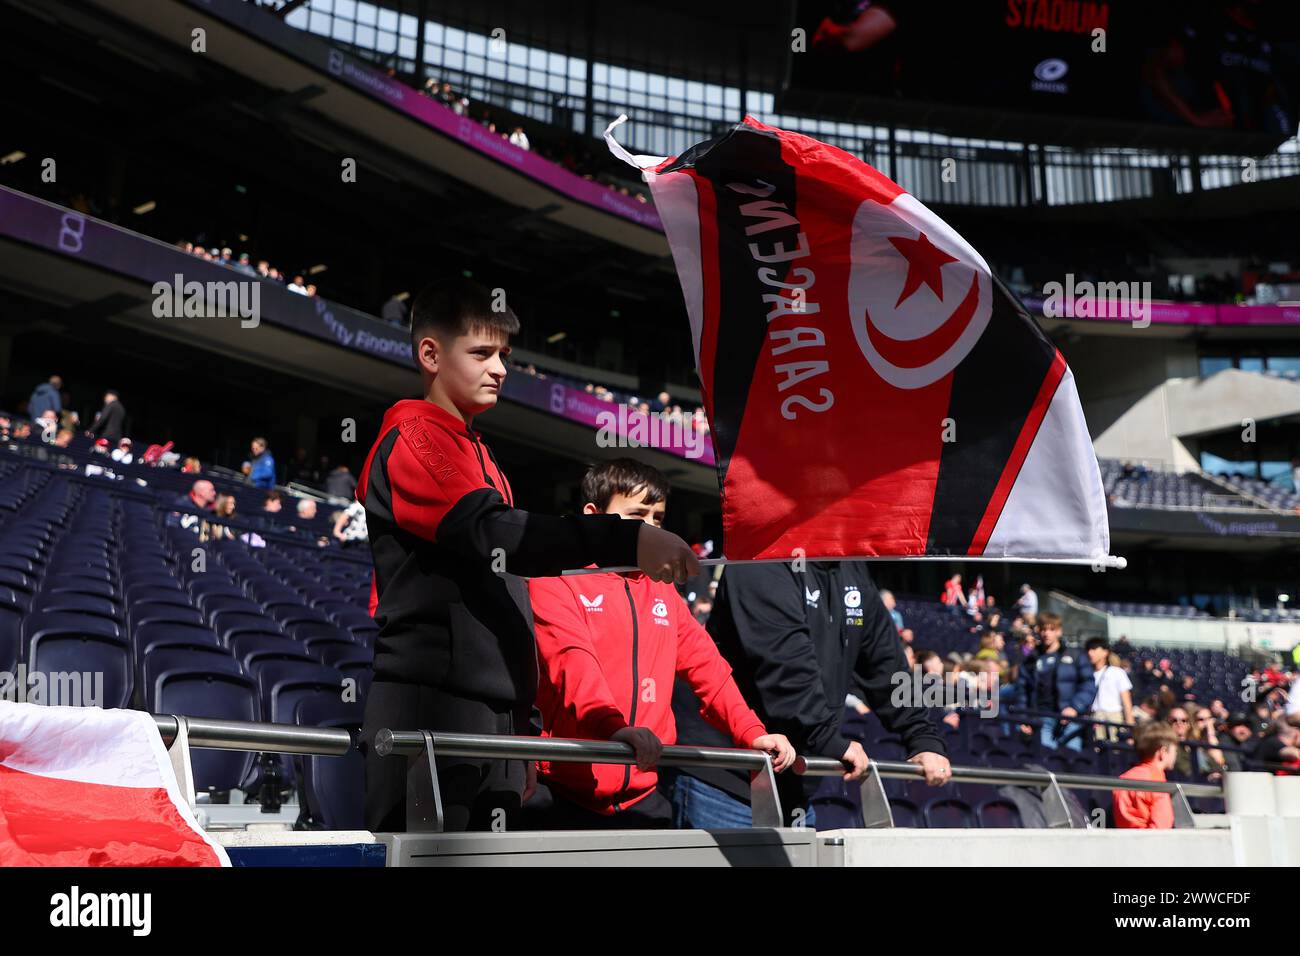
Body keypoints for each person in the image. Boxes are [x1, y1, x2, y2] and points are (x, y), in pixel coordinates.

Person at [356, 277, 699, 833]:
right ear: (430, 354)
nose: (499, 369)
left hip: (493, 721)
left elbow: (509, 597)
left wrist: (524, 732)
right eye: (481, 353)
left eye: (505, 356)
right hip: (433, 712)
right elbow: (497, 535)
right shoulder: (416, 436)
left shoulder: (480, 453)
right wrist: (627, 539)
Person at [527, 459, 794, 828]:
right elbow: (572, 663)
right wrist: (613, 727)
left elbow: (708, 669)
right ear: (592, 515)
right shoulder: (556, 578)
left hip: (645, 795)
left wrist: (752, 733)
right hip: (560, 795)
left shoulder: (663, 589)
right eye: (637, 515)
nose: (651, 529)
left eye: (658, 518)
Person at [671, 560, 950, 829]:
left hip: (796, 780)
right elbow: (782, 663)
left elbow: (885, 661)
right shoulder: (760, 558)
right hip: (727, 777)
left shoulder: (850, 567)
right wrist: (826, 737)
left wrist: (921, 736)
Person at [1012, 612, 1095, 751]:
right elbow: (1022, 691)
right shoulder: (1031, 660)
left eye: (1051, 629)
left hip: (1070, 720)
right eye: (1044, 629)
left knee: (1071, 760)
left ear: (1059, 631)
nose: (1047, 633)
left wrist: (1075, 707)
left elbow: (1088, 685)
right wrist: (1023, 718)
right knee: (1046, 759)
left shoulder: (1075, 655)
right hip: (1041, 718)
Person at [1112, 721, 1179, 829]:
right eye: (1175, 750)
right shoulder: (1157, 781)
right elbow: (1162, 828)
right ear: (1163, 752)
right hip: (1149, 843)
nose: (1176, 754)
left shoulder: (1124, 777)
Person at [1086, 636, 1133, 742]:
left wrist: (1130, 728)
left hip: (1114, 717)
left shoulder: (1117, 672)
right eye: (1089, 649)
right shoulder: (1087, 673)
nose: (1090, 653)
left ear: (1105, 652)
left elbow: (1127, 701)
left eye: (1094, 649)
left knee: (1115, 751)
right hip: (1095, 717)